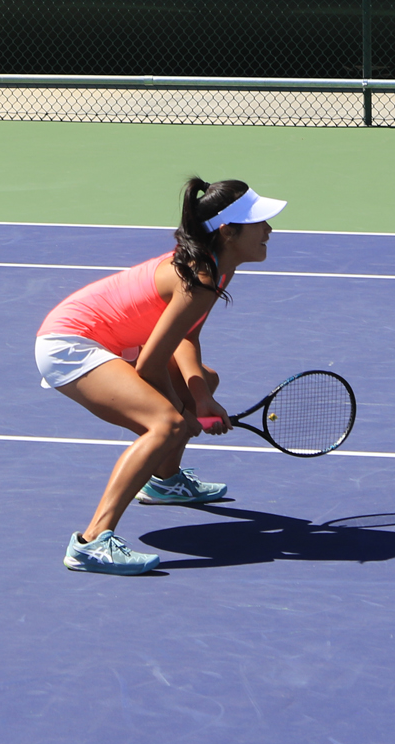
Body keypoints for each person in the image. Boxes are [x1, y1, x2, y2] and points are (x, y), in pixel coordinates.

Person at [35, 178, 285, 575]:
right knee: (165, 423)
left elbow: (187, 336)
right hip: (70, 344)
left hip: (110, 340)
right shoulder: (201, 278)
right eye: (260, 223)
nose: (270, 230)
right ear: (228, 232)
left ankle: (165, 481)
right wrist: (180, 414)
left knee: (206, 379)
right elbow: (151, 364)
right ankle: (91, 542)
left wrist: (201, 398)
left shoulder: (216, 268)